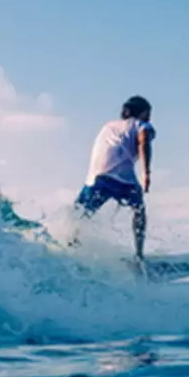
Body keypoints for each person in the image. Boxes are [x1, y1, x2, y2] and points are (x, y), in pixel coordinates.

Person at [74, 96, 155, 261]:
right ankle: (139, 255)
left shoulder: (108, 126)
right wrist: (146, 172)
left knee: (79, 214)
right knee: (139, 210)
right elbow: (143, 139)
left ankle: (71, 244)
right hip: (121, 177)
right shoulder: (141, 124)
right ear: (143, 113)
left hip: (96, 177)